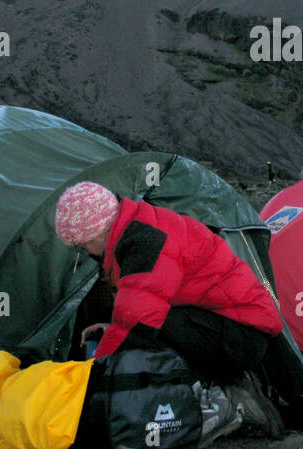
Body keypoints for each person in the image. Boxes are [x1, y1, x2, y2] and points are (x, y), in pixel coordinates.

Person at [54, 181, 285, 432]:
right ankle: (223, 387)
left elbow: (138, 321)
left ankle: (216, 402)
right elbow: (142, 301)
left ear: (98, 231)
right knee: (151, 325)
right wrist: (112, 329)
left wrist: (87, 380)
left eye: (81, 245)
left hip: (242, 335)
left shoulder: (145, 240)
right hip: (231, 327)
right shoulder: (135, 228)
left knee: (149, 328)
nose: (84, 252)